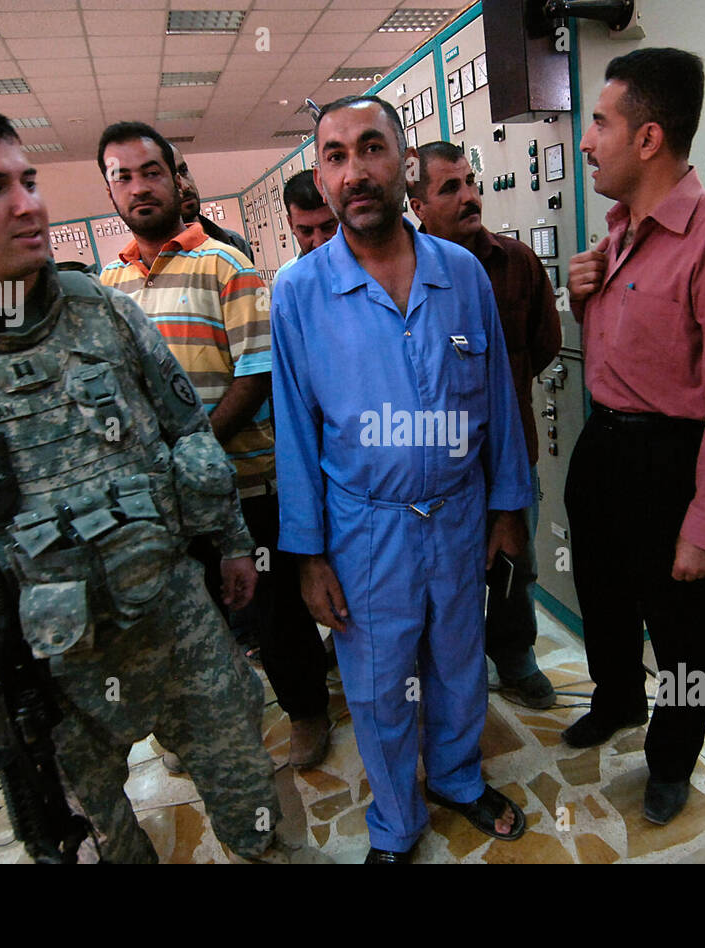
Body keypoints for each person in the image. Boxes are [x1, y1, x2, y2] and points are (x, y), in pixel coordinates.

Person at [0, 103, 283, 863]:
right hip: (39, 660)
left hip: (168, 613)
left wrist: (233, 543)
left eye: (29, 180)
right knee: (94, 835)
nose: (28, 202)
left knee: (242, 774)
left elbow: (184, 429)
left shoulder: (102, 308)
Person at [271, 95, 533, 863]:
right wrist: (309, 555)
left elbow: (498, 405)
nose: (356, 171)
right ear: (320, 176)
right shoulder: (299, 293)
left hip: (457, 516)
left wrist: (507, 507)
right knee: (380, 687)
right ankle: (395, 821)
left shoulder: (461, 275)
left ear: (404, 162)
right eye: (336, 155)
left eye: (372, 148)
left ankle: (455, 776)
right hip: (363, 529)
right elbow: (295, 431)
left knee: (457, 662)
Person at [564, 49, 705, 825]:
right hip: (603, 447)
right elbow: (631, 348)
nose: (586, 142)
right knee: (603, 596)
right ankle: (617, 698)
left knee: (681, 631)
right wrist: (580, 297)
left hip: (672, 461)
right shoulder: (617, 231)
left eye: (599, 123)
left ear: (648, 137)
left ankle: (670, 757)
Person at [97, 122, 332, 769]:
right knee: (198, 622)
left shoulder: (228, 266)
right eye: (123, 176)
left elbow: (256, 375)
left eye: (151, 171)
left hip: (245, 487)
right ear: (110, 190)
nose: (139, 187)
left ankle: (308, 712)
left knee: (276, 616)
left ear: (177, 179)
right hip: (165, 502)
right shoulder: (106, 286)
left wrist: (190, 450)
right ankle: (208, 724)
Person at [408, 140, 562, 709]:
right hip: (436, 469)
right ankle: (451, 675)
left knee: (514, 566)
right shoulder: (404, 274)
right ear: (417, 204)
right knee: (442, 580)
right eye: (450, 188)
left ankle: (516, 657)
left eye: (470, 182)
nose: (470, 196)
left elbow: (545, 344)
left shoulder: (516, 262)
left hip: (509, 455)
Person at [169, 140, 255, 262]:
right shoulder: (150, 260)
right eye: (172, 179)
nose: (185, 186)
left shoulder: (236, 244)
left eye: (183, 171)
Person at [273, 169, 338, 285]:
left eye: (328, 227)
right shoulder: (285, 281)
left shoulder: (372, 268)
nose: (319, 243)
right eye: (307, 231)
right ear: (291, 225)